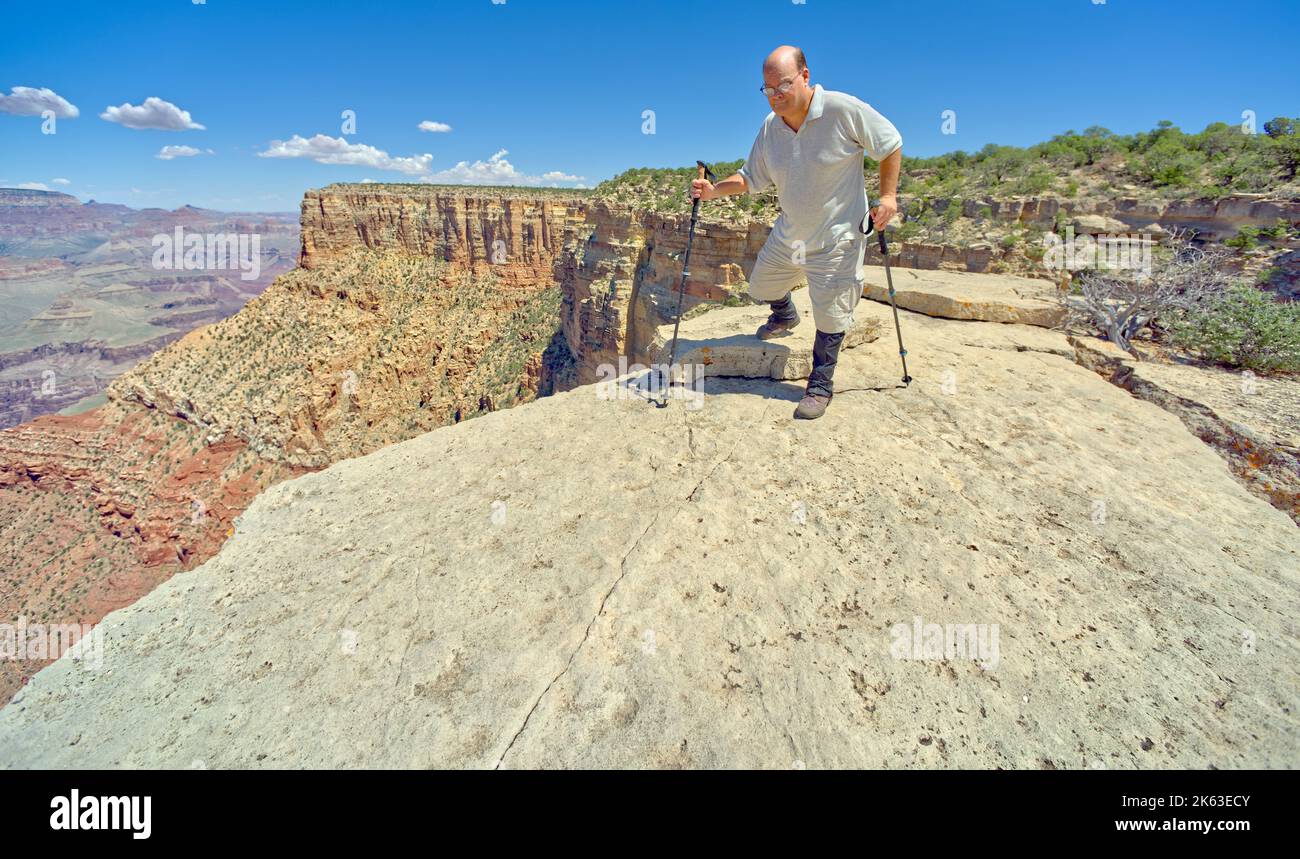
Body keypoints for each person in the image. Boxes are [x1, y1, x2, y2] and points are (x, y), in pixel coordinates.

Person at [691, 45, 903, 419]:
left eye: (783, 86)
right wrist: (713, 191)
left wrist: (887, 196)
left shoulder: (841, 109)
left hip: (839, 237)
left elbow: (890, 143)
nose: (775, 96)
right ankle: (785, 314)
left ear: (805, 76)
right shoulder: (771, 129)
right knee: (761, 287)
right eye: (767, 89)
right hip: (791, 234)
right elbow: (749, 177)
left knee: (832, 315)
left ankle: (820, 386)